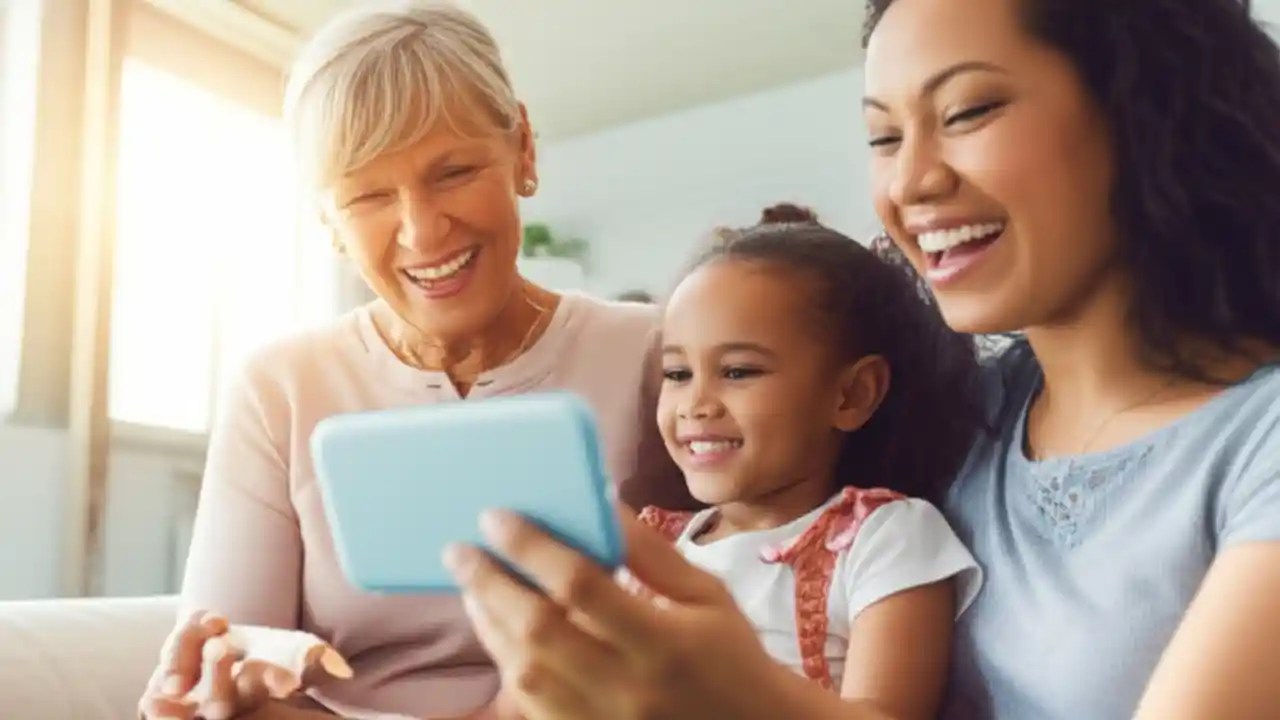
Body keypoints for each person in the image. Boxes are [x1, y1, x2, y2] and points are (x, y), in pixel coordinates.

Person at [446, 1, 1280, 718]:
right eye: (884, 136)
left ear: (1145, 109)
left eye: (967, 112)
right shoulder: (958, 416)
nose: (911, 181)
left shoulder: (1257, 449)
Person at [136, 2, 692, 719]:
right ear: (329, 222)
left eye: (454, 171)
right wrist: (210, 689)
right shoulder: (278, 388)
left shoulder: (656, 352)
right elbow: (231, 658)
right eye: (369, 195)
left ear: (522, 148)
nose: (423, 230)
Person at [637, 203, 983, 719]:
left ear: (852, 395)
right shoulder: (649, 548)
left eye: (737, 372)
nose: (696, 404)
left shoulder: (887, 539)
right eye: (678, 373)